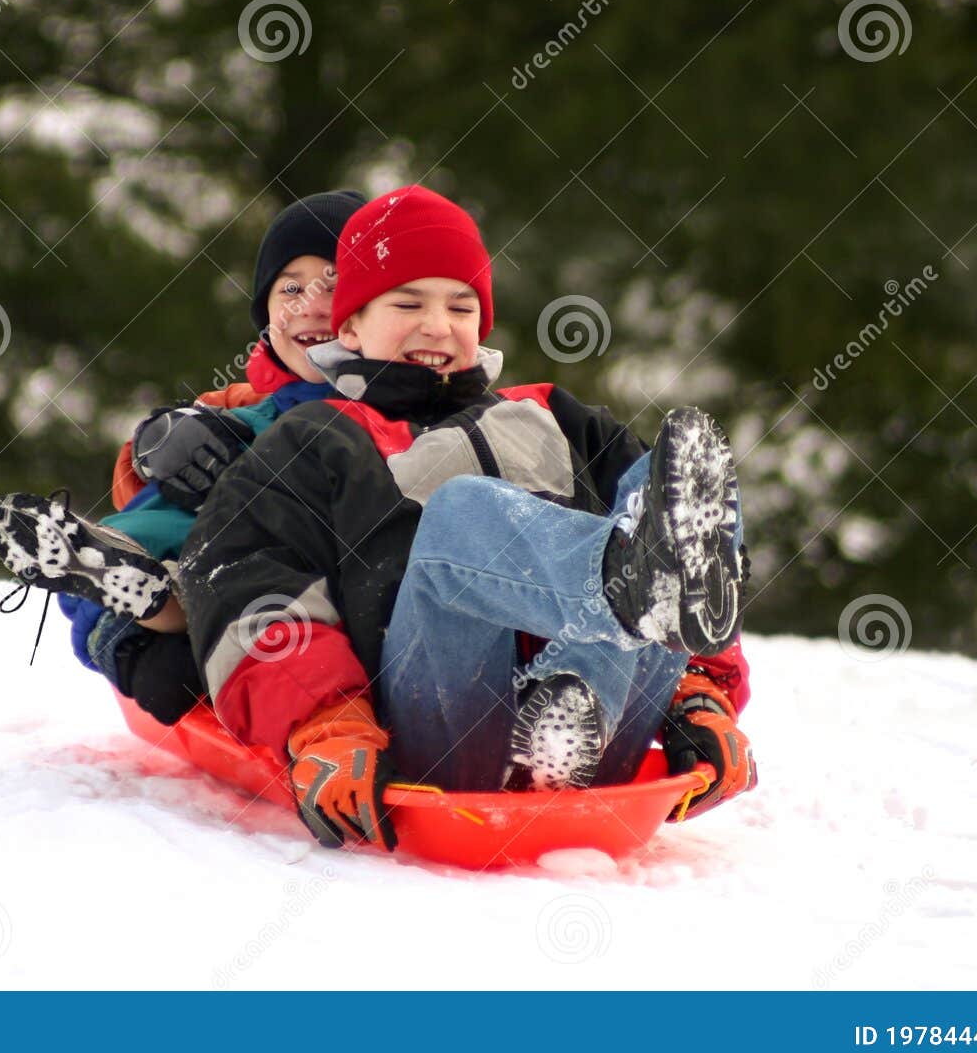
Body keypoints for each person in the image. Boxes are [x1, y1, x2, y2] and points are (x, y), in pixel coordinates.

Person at [172, 186, 756, 851]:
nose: (437, 324)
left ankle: (587, 680)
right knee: (460, 509)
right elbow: (241, 582)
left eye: (460, 305)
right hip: (443, 731)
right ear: (352, 324)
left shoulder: (552, 415)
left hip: (601, 723)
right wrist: (326, 721)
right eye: (408, 303)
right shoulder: (313, 441)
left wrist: (699, 695)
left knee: (666, 482)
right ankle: (623, 588)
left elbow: (680, 529)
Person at [0, 189, 367, 725]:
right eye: (291, 288)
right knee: (183, 510)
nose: (311, 304)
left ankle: (155, 627)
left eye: (335, 282)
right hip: (233, 568)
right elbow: (152, 496)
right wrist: (155, 444)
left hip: (309, 587)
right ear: (265, 313)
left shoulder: (408, 397)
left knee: (193, 641)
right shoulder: (242, 408)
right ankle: (123, 603)